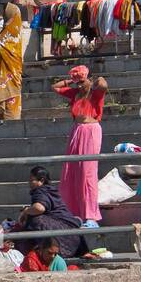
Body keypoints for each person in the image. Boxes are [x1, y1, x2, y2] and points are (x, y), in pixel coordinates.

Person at [53, 65, 108, 227]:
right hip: (76, 131)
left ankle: (91, 216)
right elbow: (55, 87)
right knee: (71, 172)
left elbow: (104, 85)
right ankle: (74, 212)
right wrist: (71, 80)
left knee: (87, 172)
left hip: (91, 131)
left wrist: (94, 80)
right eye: (77, 83)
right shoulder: (74, 93)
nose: (79, 86)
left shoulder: (95, 93)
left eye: (80, 82)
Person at [15, 165, 88, 258]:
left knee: (34, 219)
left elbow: (39, 208)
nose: (29, 183)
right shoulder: (50, 191)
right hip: (74, 237)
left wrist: (25, 212)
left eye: (32, 180)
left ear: (41, 180)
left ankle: (49, 252)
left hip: (65, 239)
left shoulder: (40, 191)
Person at [0, 1, 23, 120]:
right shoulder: (11, 28)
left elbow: (0, 41)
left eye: (6, 14)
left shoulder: (12, 30)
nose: (4, 17)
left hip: (10, 70)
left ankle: (12, 117)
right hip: (6, 69)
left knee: (11, 96)